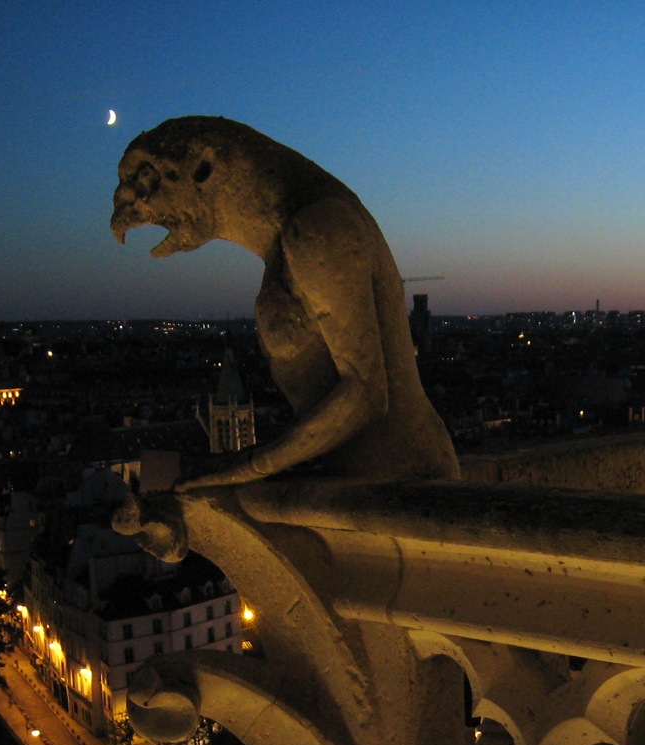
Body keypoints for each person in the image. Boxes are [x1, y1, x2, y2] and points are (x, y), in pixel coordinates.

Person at [110, 116, 459, 493]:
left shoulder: (317, 230)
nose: (134, 207)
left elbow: (366, 394)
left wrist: (238, 468)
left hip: (404, 486)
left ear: (204, 167)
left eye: (150, 182)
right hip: (369, 480)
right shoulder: (291, 242)